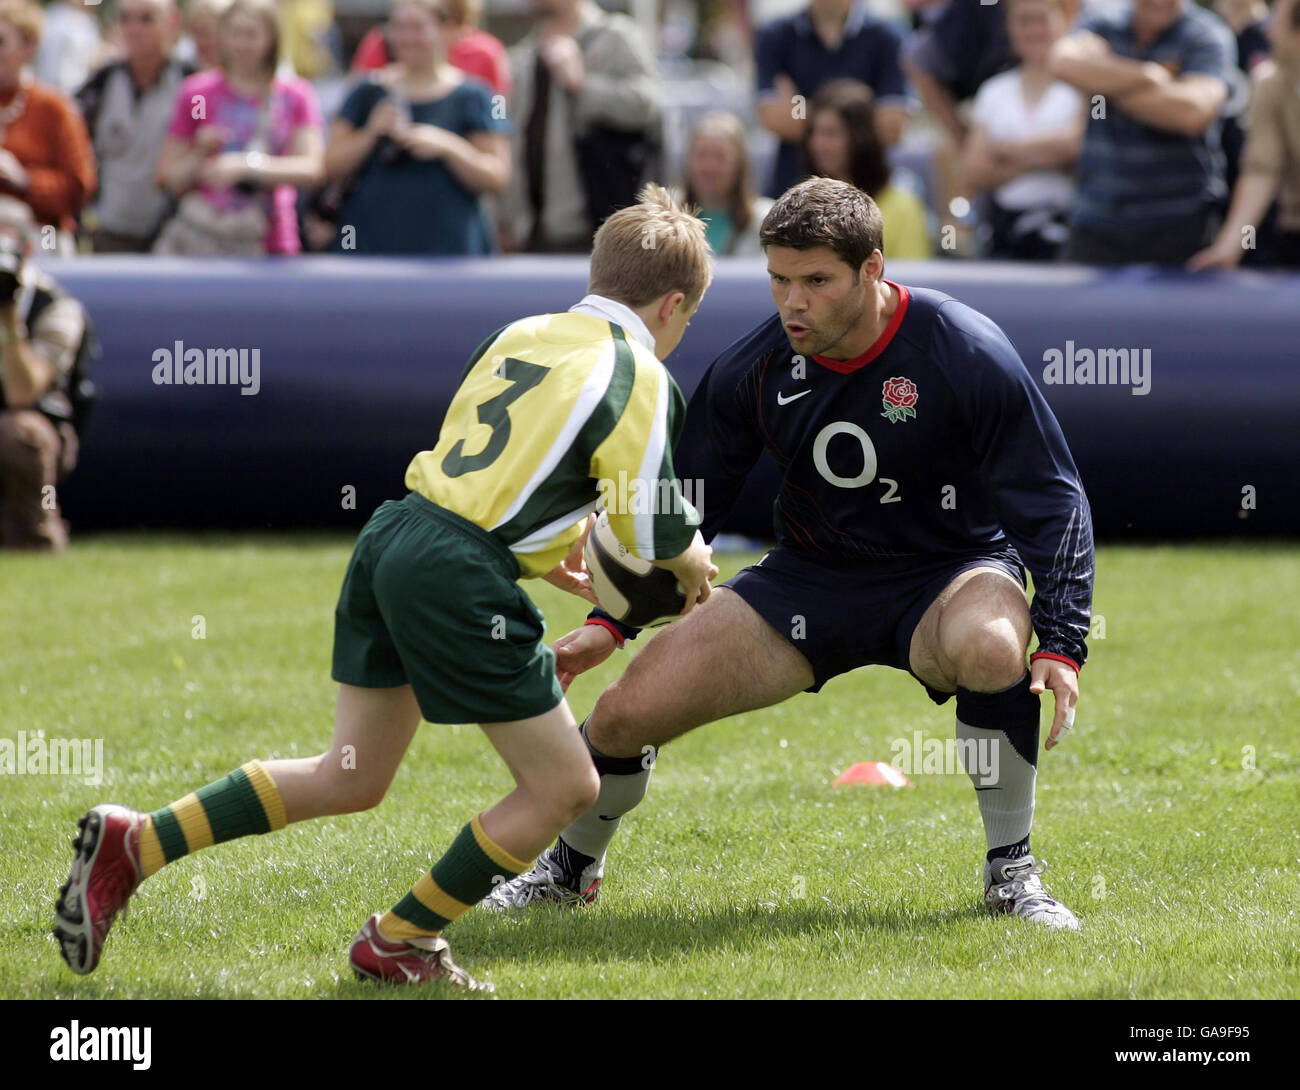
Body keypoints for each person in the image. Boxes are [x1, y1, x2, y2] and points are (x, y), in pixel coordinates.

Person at [52, 183, 719, 990]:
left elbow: (496, 460)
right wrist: (692, 567)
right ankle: (401, 939)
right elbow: (652, 528)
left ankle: (139, 840)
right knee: (565, 784)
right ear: (674, 306)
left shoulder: (525, 330)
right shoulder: (640, 371)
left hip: (398, 532)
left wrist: (553, 547)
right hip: (458, 571)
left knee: (351, 774)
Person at [487, 177, 1094, 933]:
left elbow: (1052, 498)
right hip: (809, 581)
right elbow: (682, 508)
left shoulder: (961, 349)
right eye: (779, 279)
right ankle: (567, 873)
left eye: (816, 280)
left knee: (990, 644)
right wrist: (612, 623)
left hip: (951, 574)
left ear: (873, 269)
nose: (793, 302)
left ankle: (1013, 874)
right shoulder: (758, 369)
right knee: (621, 715)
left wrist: (1063, 643)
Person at [1049, 0, 1237, 265]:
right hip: (1096, 224)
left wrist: (1103, 78)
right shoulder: (1102, 21)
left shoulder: (1206, 33)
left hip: (1180, 227)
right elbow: (1061, 63)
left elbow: (1191, 113)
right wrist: (1151, 75)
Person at [322, 0, 509, 255]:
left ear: (444, 30)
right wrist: (370, 133)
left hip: (452, 249)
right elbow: (329, 166)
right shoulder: (366, 91)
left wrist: (447, 146)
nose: (407, 38)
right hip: (371, 246)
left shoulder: (475, 96)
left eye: (418, 28)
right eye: (399, 27)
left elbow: (497, 175)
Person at [153, 0, 322, 255]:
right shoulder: (198, 94)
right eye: (235, 33)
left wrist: (250, 167)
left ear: (271, 39)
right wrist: (199, 154)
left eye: (251, 34)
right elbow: (167, 177)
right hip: (203, 236)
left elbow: (312, 167)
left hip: (269, 238)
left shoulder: (294, 95)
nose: (241, 44)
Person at [499, 0, 660, 253]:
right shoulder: (520, 57)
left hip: (601, 233)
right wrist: (504, 218)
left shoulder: (615, 35)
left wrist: (583, 84)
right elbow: (503, 131)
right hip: (531, 234)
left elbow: (648, 106)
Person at [0, 197, 97, 551]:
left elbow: (22, 392)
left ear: (26, 250)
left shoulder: (57, 308)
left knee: (19, 435)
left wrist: (8, 319)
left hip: (38, 431)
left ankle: (36, 528)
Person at [961, 0, 1084, 261]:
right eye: (1024, 21)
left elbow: (1077, 150)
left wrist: (1001, 150)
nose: (1033, 30)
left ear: (1064, 18)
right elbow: (975, 170)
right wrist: (1052, 159)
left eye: (1041, 19)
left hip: (1070, 232)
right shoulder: (993, 91)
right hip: (1004, 234)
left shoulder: (1084, 86)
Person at [755, 0, 909, 199]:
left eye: (832, 134)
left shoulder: (888, 37)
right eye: (821, 133)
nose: (823, 144)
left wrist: (800, 106)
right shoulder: (775, 35)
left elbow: (892, 129)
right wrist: (861, 118)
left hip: (871, 197)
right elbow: (773, 118)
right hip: (790, 193)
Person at [76, 0, 194, 253]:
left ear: (172, 22)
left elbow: (204, 129)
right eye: (125, 18)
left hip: (174, 234)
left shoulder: (193, 87)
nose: (134, 28)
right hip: (109, 231)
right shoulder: (100, 84)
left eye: (146, 18)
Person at [1191, 0, 1300, 268]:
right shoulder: (1272, 82)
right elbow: (1262, 170)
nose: (1270, 32)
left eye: (1279, 21)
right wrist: (1229, 247)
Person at [0, 0, 97, 253]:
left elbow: (79, 189)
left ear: (29, 47)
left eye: (1, 42)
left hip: (41, 232)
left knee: (46, 249)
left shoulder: (54, 108)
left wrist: (24, 179)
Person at [804, 78, 932, 259]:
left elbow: (911, 279)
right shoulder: (802, 205)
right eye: (813, 133)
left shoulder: (903, 208)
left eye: (831, 133)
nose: (817, 144)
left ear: (860, 138)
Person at [351, 0, 511, 97]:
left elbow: (500, 104)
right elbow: (356, 97)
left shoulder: (485, 52)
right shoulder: (387, 42)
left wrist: (496, 126)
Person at [674, 111, 772, 258]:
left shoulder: (767, 221)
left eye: (720, 157)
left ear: (739, 165)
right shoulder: (662, 215)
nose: (709, 167)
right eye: (701, 155)